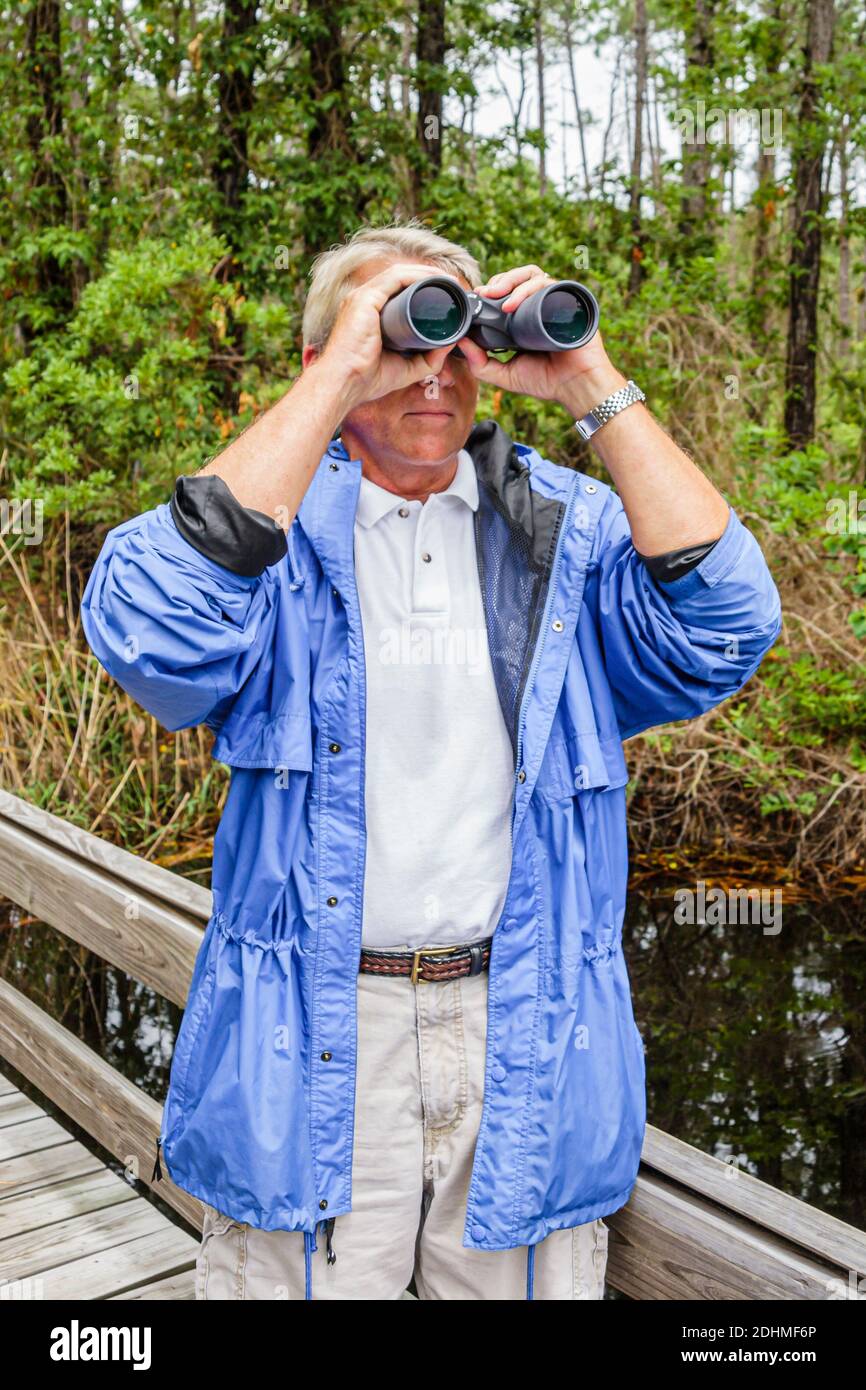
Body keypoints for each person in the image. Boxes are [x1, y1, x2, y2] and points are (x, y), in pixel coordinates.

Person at [80, 222, 782, 1300]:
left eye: (455, 339)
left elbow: (726, 628)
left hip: (527, 1024)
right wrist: (338, 373)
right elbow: (150, 630)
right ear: (332, 355)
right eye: (403, 336)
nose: (433, 370)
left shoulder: (563, 532)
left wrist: (586, 376)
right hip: (317, 1025)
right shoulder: (273, 545)